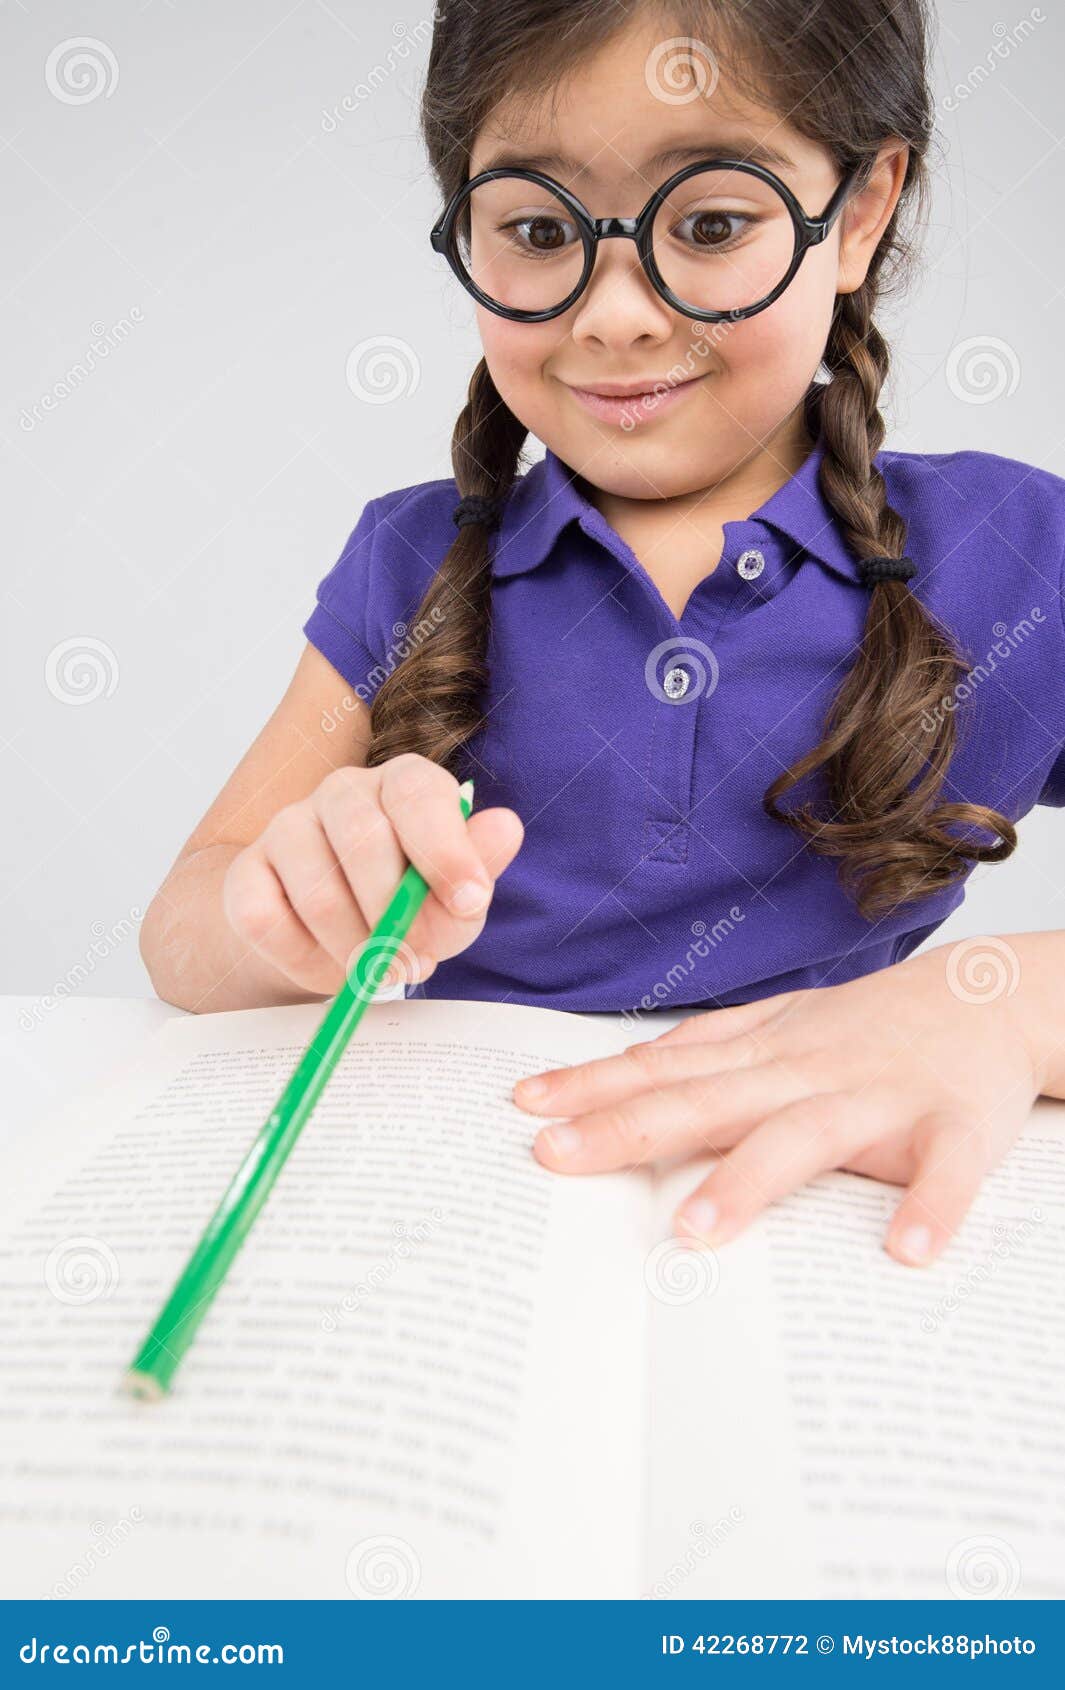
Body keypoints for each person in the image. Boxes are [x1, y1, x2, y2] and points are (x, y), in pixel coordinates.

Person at [140, 0, 1065, 1265]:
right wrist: (280, 907)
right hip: (441, 1205)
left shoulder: (1018, 550)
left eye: (712, 224)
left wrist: (1003, 1005)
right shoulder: (411, 561)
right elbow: (182, 928)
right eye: (537, 230)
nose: (616, 316)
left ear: (859, 213)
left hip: (812, 1230)